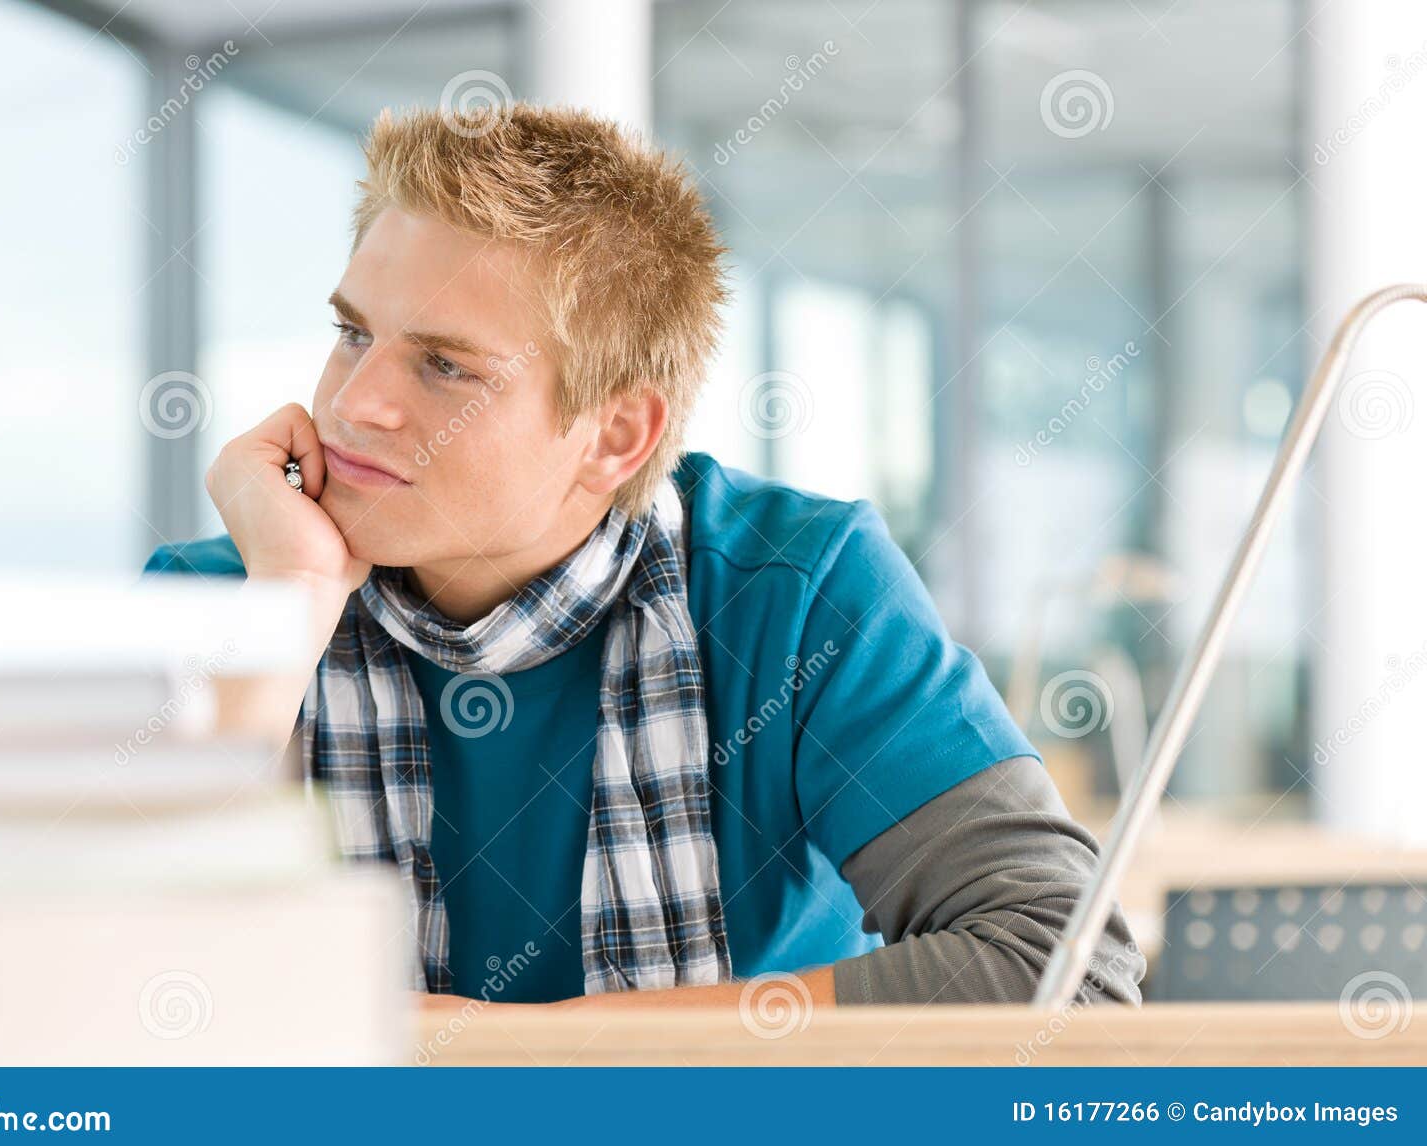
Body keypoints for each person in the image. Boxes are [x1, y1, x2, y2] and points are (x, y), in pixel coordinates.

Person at [144, 102, 1144, 1012]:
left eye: (444, 365)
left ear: (615, 437)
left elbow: (1067, 970)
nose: (357, 401)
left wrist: (539, 1053)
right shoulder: (222, 601)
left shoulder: (796, 591)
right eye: (352, 332)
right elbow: (110, 991)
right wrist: (288, 603)